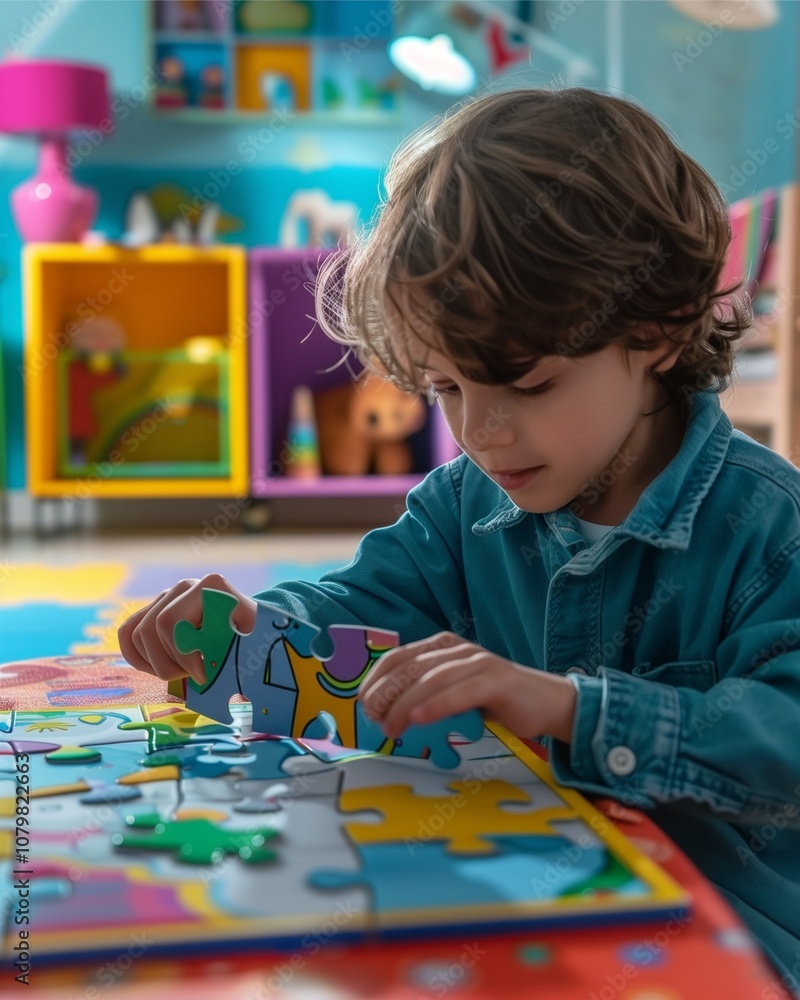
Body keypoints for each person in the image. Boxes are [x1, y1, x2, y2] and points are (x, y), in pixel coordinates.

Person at [119, 87, 800, 993]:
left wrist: (572, 710)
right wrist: (254, 624)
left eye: (527, 383)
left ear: (659, 329)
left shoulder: (770, 528)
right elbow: (360, 602)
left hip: (722, 940)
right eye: (446, 388)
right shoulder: (464, 502)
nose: (480, 431)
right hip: (515, 894)